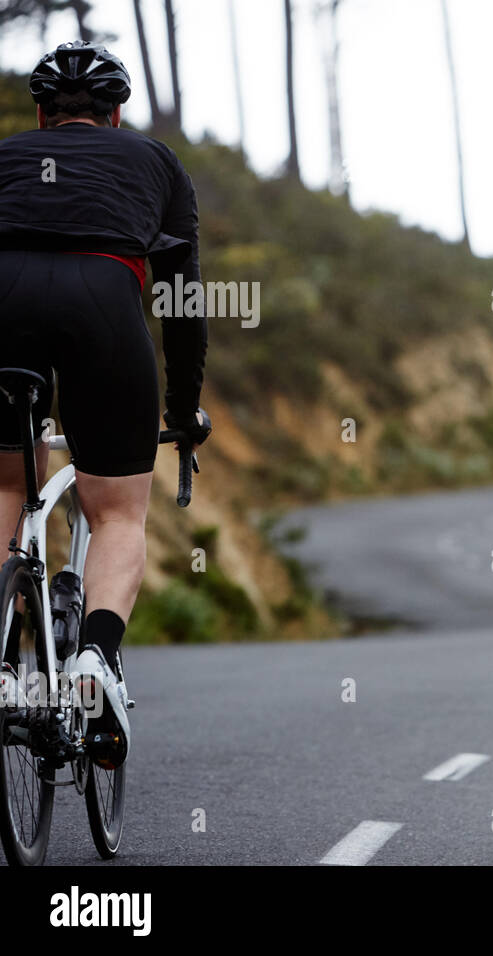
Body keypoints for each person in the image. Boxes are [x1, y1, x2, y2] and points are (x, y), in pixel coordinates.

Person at [0, 42, 211, 768]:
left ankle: (0, 664)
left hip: (4, 303)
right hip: (104, 305)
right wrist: (184, 410)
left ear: (40, 116)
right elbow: (181, 300)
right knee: (117, 511)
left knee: (2, 484)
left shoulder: (5, 157)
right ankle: (94, 658)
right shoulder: (155, 162)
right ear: (117, 115)